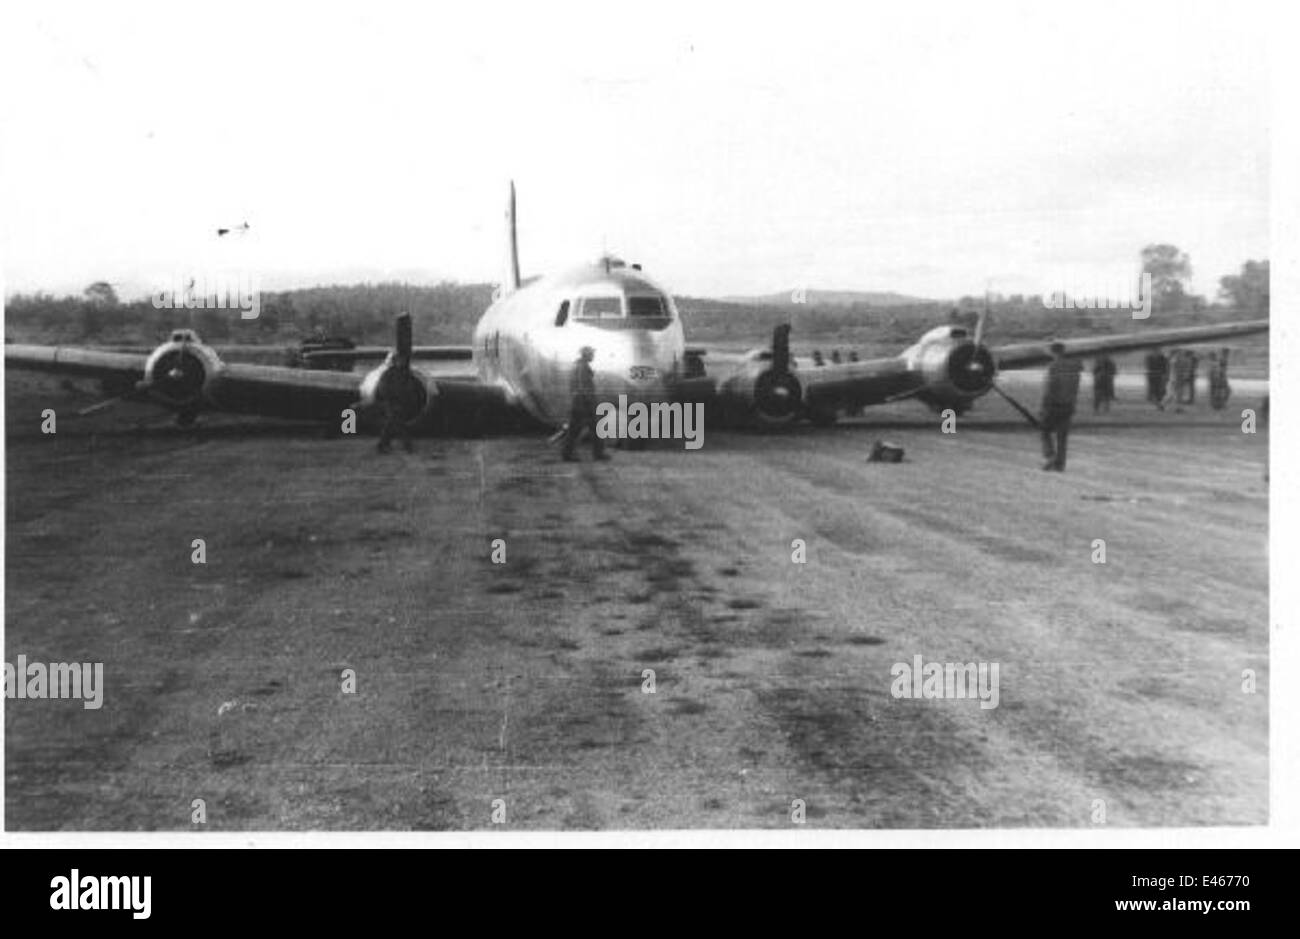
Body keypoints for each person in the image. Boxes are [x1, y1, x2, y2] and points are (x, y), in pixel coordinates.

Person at [1040, 341, 1083, 471]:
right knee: (1062, 437)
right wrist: (1073, 404)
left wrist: (1044, 406)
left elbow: (1049, 388)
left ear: (1053, 352)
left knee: (1044, 431)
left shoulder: (1053, 367)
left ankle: (1050, 456)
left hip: (1053, 405)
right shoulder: (1074, 368)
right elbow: (1076, 388)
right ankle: (1060, 465)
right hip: (1068, 405)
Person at [562, 346, 609, 462]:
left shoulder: (578, 366)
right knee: (579, 429)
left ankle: (597, 453)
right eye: (591, 353)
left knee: (578, 430)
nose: (593, 355)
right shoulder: (583, 367)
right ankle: (597, 454)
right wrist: (590, 402)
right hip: (583, 403)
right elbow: (584, 387)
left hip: (579, 402)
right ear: (586, 355)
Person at [375, 353, 418, 453]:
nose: (401, 362)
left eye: (402, 360)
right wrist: (390, 399)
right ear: (394, 362)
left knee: (393, 423)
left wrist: (409, 399)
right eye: (399, 360)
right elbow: (383, 388)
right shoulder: (388, 374)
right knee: (396, 423)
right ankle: (406, 445)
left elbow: (410, 387)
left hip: (401, 402)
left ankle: (384, 444)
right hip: (391, 402)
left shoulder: (405, 373)